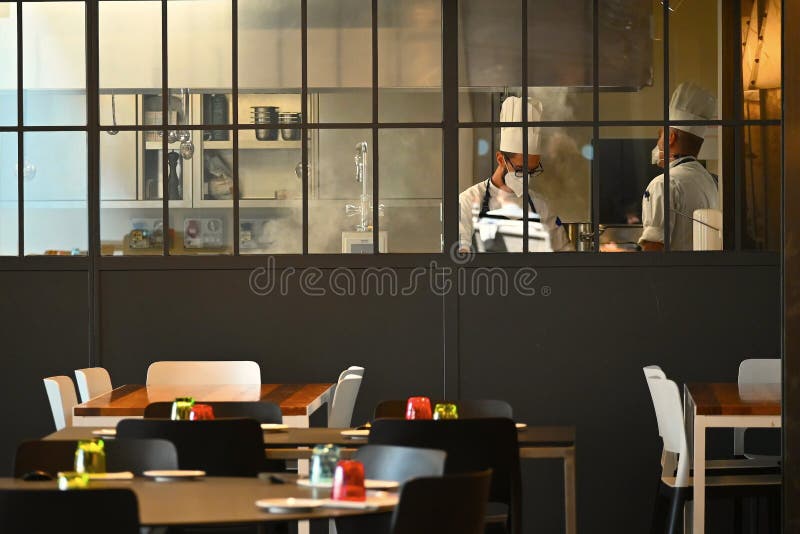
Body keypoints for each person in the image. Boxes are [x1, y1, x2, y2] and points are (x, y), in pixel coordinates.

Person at [458, 96, 572, 252]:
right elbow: (459, 254)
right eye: (520, 169)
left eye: (532, 170)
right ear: (500, 159)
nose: (526, 177)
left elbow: (564, 253)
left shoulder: (540, 206)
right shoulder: (468, 201)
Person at [639, 82, 719, 251]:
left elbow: (654, 248)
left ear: (670, 138)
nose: (657, 143)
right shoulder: (710, 181)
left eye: (660, 135)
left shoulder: (663, 184)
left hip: (672, 276)